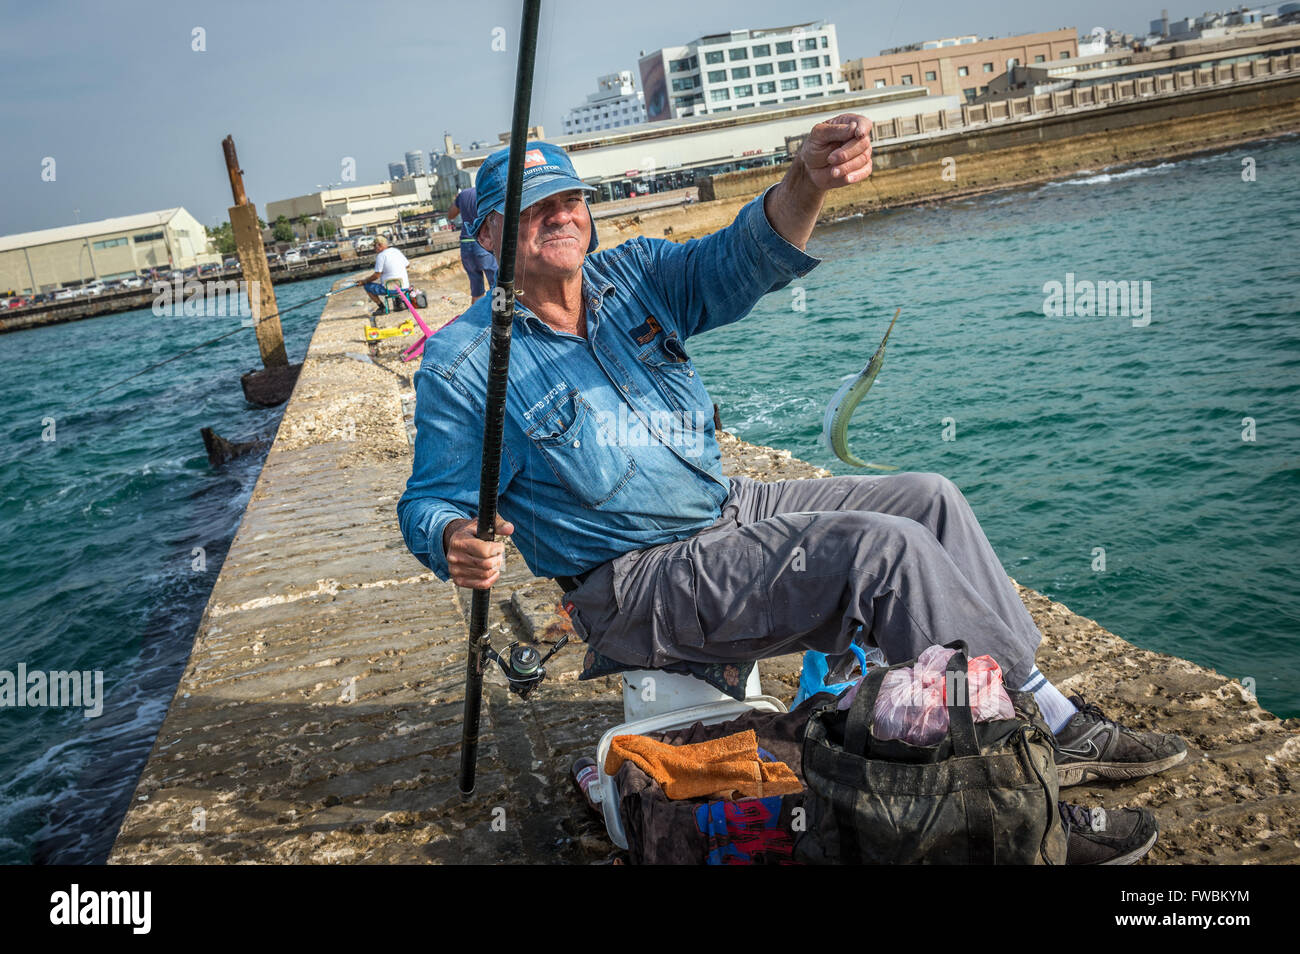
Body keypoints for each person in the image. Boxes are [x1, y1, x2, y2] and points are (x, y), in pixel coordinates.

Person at [397, 123, 1185, 863]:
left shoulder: (632, 275)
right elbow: (427, 502)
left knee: (926, 498)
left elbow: (743, 257)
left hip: (721, 508)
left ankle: (1045, 713)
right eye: (530, 211)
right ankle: (1012, 795)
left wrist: (807, 179)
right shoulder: (468, 361)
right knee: (881, 553)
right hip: (630, 582)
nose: (558, 217)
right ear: (490, 237)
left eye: (568, 199)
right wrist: (453, 540)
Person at [449, 187, 498, 302]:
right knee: (497, 286)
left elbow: (451, 215)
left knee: (476, 290)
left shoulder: (463, 195)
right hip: (483, 242)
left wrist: (459, 202)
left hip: (466, 245)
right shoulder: (486, 191)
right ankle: (499, 317)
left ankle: (477, 319)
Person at [359, 234, 409, 316]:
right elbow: (407, 265)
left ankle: (381, 308)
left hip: (391, 289)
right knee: (392, 281)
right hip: (404, 286)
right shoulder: (396, 251)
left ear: (380, 245)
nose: (374, 249)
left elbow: (376, 276)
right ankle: (398, 302)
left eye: (374, 246)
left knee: (367, 286)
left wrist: (364, 281)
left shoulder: (381, 256)